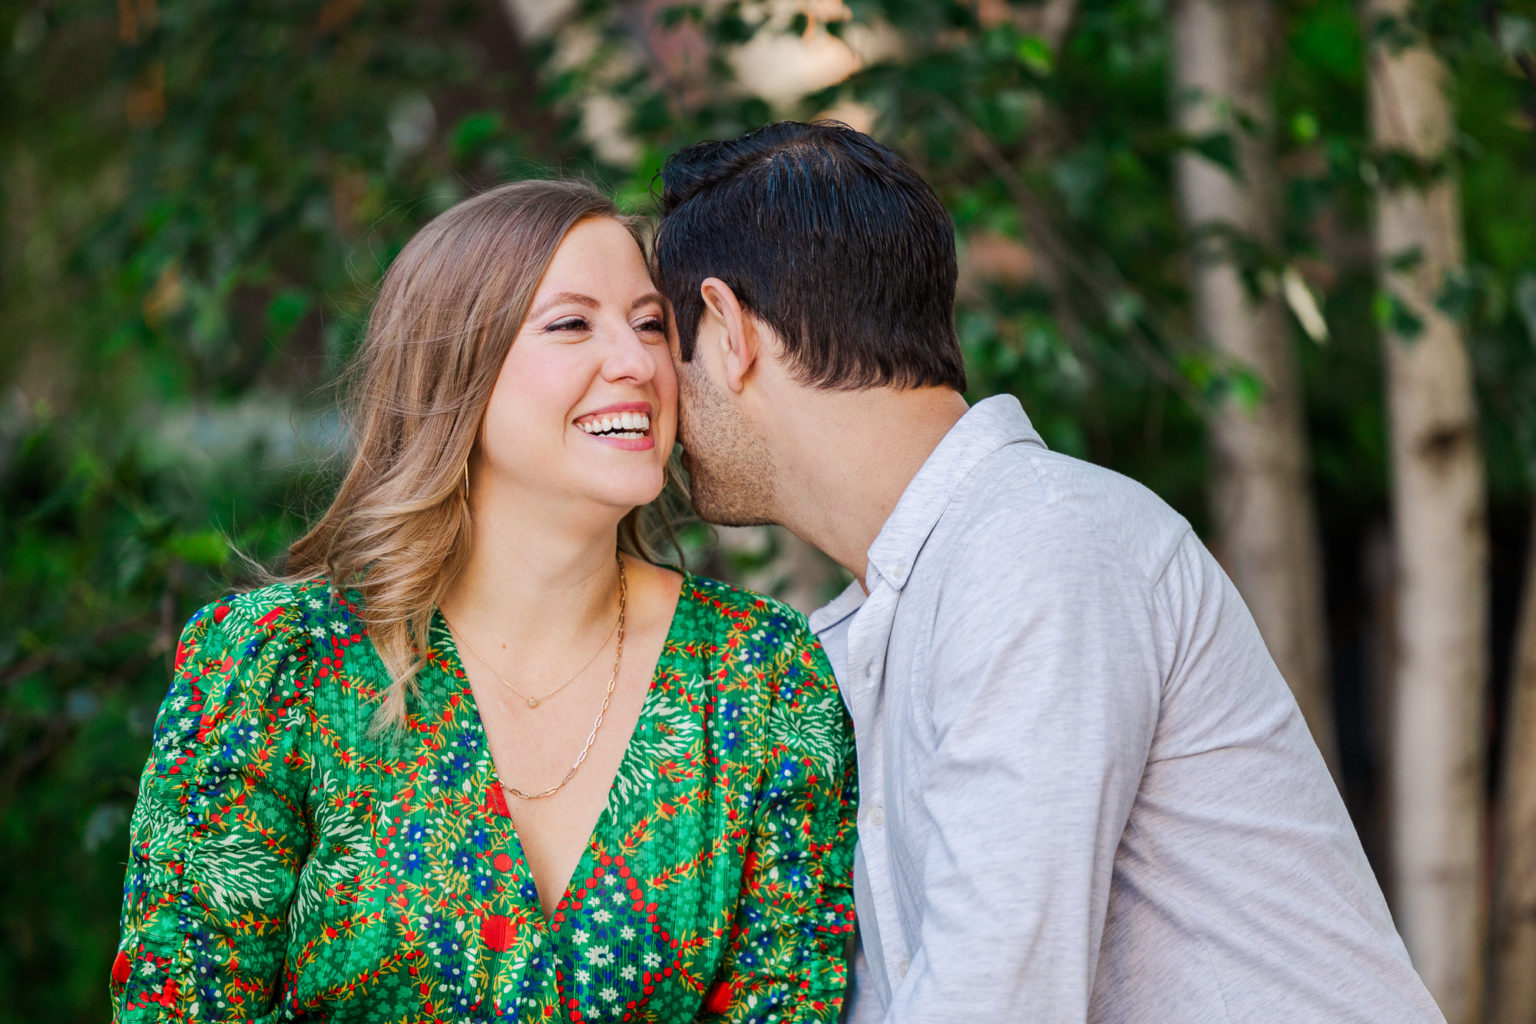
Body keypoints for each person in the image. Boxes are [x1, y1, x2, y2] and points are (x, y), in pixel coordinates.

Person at [651, 120, 1447, 1023]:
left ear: (726, 330)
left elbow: (995, 999)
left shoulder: (1035, 545)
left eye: (664, 346)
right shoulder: (887, 618)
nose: (661, 402)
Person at [110, 179, 857, 1023]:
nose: (638, 362)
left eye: (651, 324)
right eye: (572, 323)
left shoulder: (761, 677)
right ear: (456, 371)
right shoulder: (277, 666)